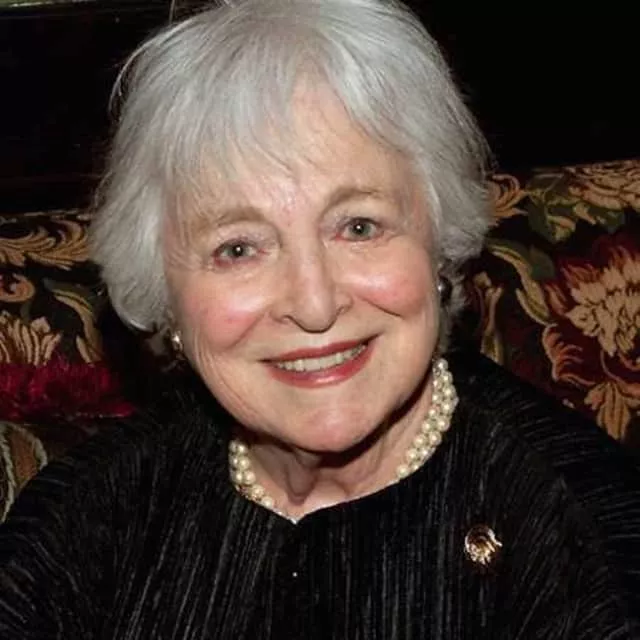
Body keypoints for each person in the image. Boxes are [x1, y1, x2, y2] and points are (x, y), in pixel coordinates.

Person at [1, 0, 639, 637]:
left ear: (438, 245)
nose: (314, 303)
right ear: (166, 293)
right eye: (238, 249)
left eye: (358, 227)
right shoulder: (87, 515)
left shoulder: (580, 532)